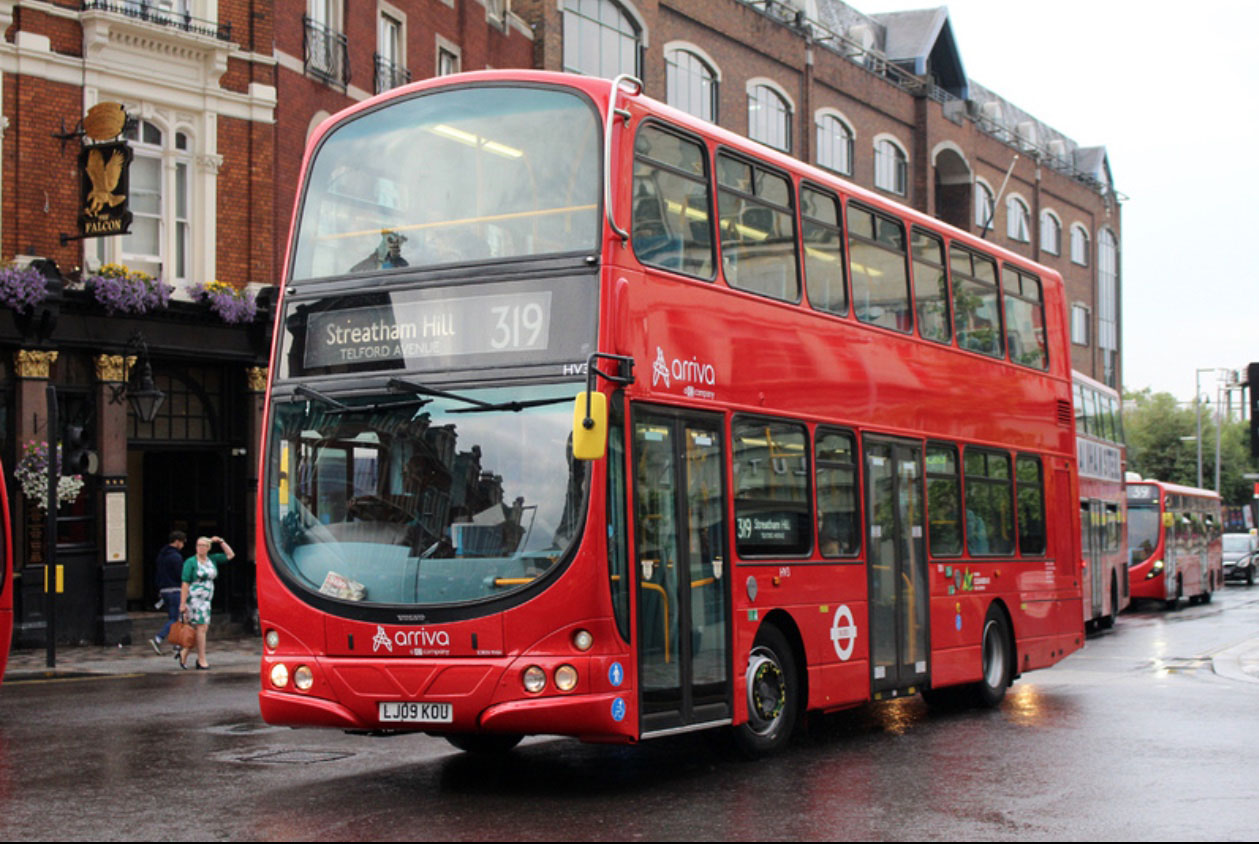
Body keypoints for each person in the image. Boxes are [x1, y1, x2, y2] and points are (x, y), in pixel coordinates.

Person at [176, 535, 235, 670]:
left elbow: (230, 555)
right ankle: (201, 659)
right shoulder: (191, 562)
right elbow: (185, 583)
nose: (200, 548)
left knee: (202, 629)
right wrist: (182, 603)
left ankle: (185, 652)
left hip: (206, 599)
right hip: (194, 599)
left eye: (203, 546)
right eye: (198, 545)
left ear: (208, 548)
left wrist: (221, 541)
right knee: (201, 628)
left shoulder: (212, 560)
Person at [150, 530, 187, 654]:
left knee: (176, 618)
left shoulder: (161, 555)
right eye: (182, 542)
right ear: (177, 542)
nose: (182, 545)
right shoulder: (176, 557)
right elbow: (180, 575)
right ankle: (158, 638)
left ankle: (177, 645)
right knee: (176, 619)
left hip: (164, 590)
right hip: (175, 590)